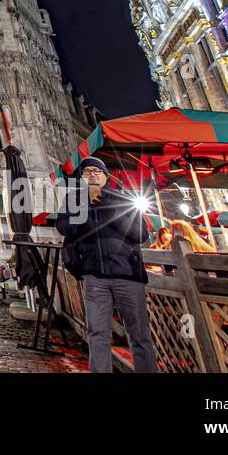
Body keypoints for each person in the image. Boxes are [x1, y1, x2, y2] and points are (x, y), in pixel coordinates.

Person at [55, 156, 158, 373]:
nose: (92, 174)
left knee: (139, 334)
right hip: (95, 277)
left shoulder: (122, 200)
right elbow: (64, 229)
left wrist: (109, 207)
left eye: (97, 171)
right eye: (87, 172)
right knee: (97, 334)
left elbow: (140, 234)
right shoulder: (73, 202)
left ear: (105, 176)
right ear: (82, 178)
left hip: (128, 276)